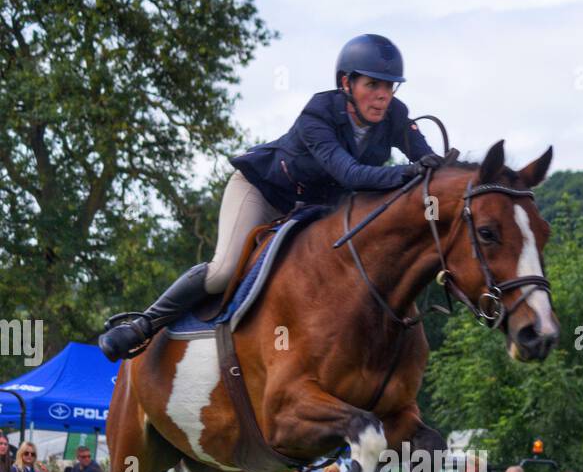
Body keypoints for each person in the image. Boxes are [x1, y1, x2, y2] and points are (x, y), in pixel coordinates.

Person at [98, 35, 439, 360]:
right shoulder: (318, 114)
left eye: (389, 86)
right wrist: (404, 173)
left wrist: (443, 172)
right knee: (224, 270)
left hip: (312, 210)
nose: (383, 95)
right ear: (346, 84)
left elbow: (427, 162)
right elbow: (349, 175)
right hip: (261, 191)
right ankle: (144, 324)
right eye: (373, 85)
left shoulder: (395, 114)